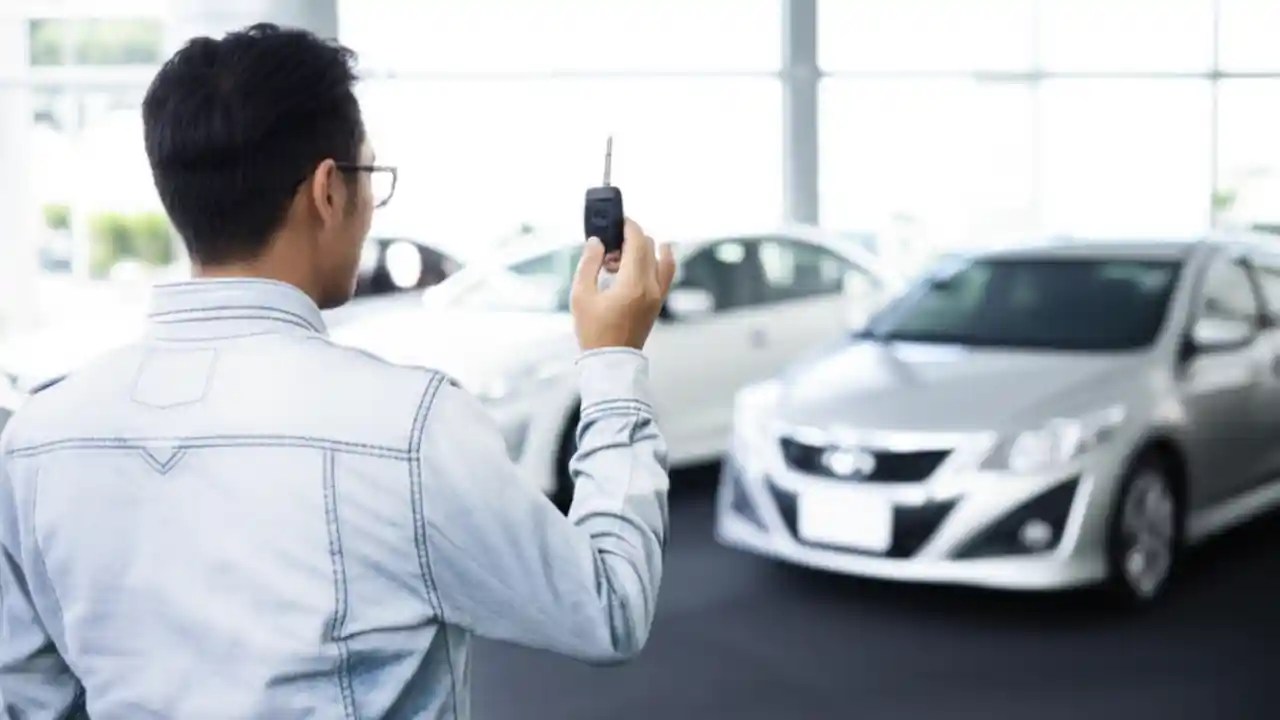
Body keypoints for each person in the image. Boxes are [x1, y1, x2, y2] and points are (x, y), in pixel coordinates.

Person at [0, 23, 675, 719]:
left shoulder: (36, 442)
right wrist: (613, 359)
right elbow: (608, 606)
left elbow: (28, 698)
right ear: (328, 189)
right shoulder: (408, 431)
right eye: (368, 175)